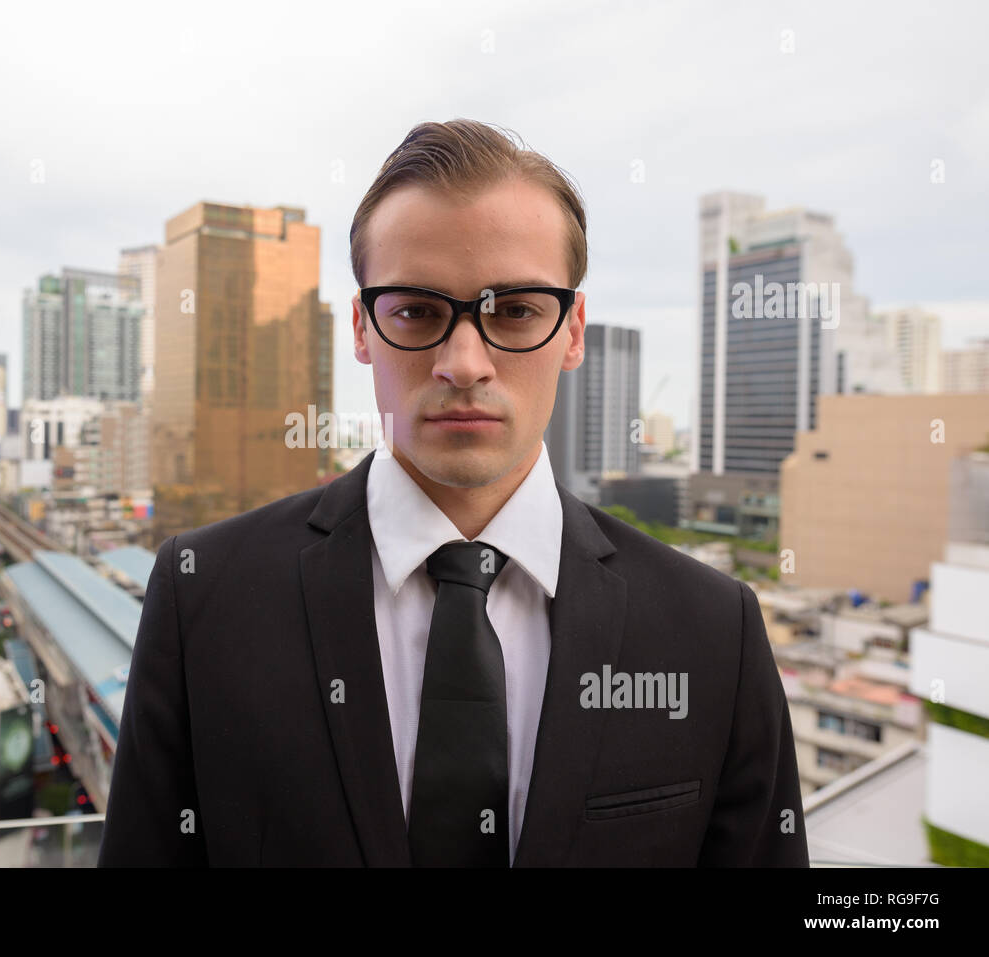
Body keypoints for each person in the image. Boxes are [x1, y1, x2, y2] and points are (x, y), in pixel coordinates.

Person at [97, 118, 808, 867]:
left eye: (515, 311)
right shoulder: (203, 599)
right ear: (364, 329)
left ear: (573, 332)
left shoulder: (711, 630)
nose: (464, 362)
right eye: (417, 311)